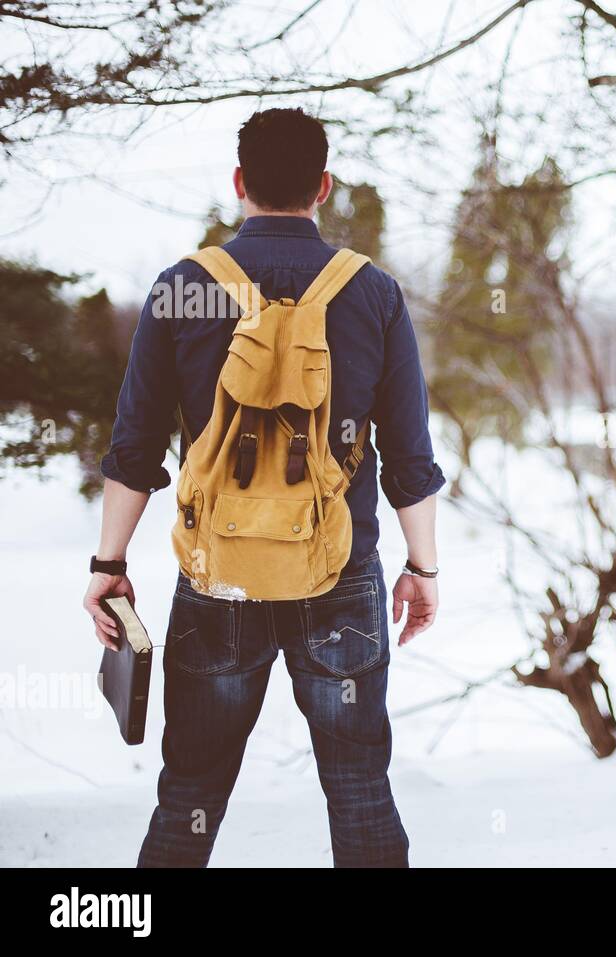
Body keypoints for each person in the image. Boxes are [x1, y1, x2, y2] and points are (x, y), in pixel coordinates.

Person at [82, 108, 443, 868]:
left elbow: (135, 445)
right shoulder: (372, 293)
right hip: (340, 577)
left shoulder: (184, 289)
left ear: (239, 183)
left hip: (219, 580)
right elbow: (411, 453)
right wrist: (423, 567)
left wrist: (108, 565)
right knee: (359, 787)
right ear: (324, 186)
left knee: (190, 791)